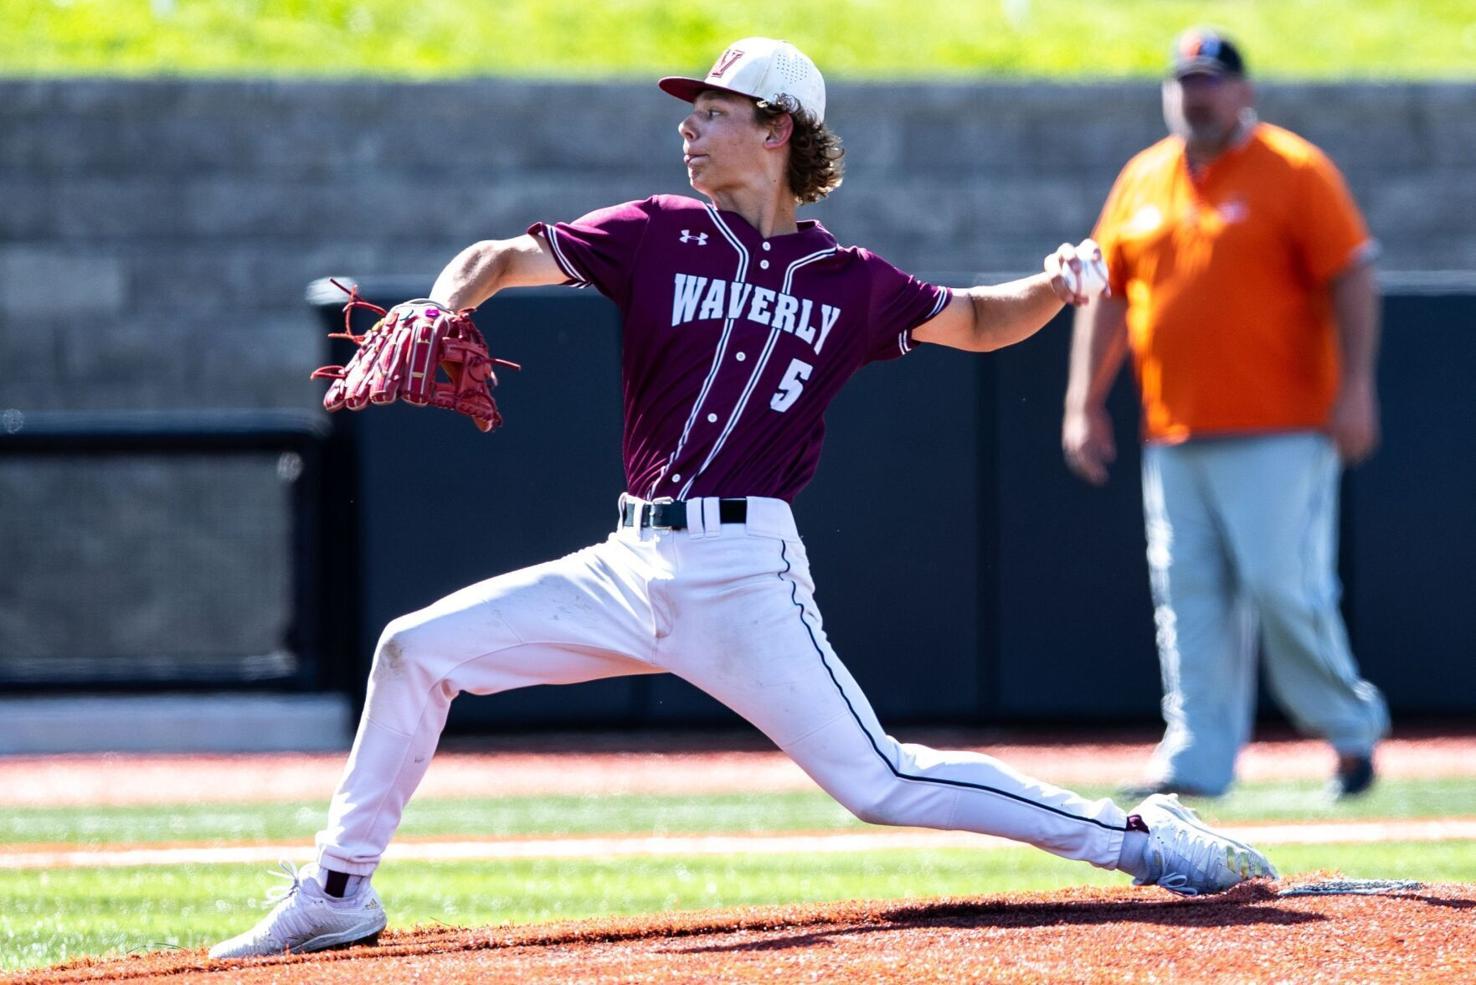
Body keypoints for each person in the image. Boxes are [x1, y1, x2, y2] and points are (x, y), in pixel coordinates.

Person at [210, 37, 1274, 959]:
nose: (689, 130)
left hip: (744, 575)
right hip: (626, 567)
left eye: (713, 113)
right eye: (692, 114)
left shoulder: (849, 279)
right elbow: (497, 255)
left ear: (778, 128)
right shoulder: (655, 231)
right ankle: (339, 891)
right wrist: (442, 303)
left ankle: (1136, 839)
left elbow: (982, 320)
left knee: (882, 783)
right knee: (412, 649)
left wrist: (1056, 286)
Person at [1062, 29, 1389, 801]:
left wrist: (1357, 387)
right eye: (1184, 81)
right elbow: (1105, 292)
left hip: (1282, 425)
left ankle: (1348, 728)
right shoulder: (1143, 177)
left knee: (1285, 587)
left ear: (1244, 92)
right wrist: (1084, 399)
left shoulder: (1294, 170)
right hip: (1175, 430)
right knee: (1187, 592)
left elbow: (1353, 275)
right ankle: (1198, 753)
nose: (1196, 94)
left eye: (1211, 80)